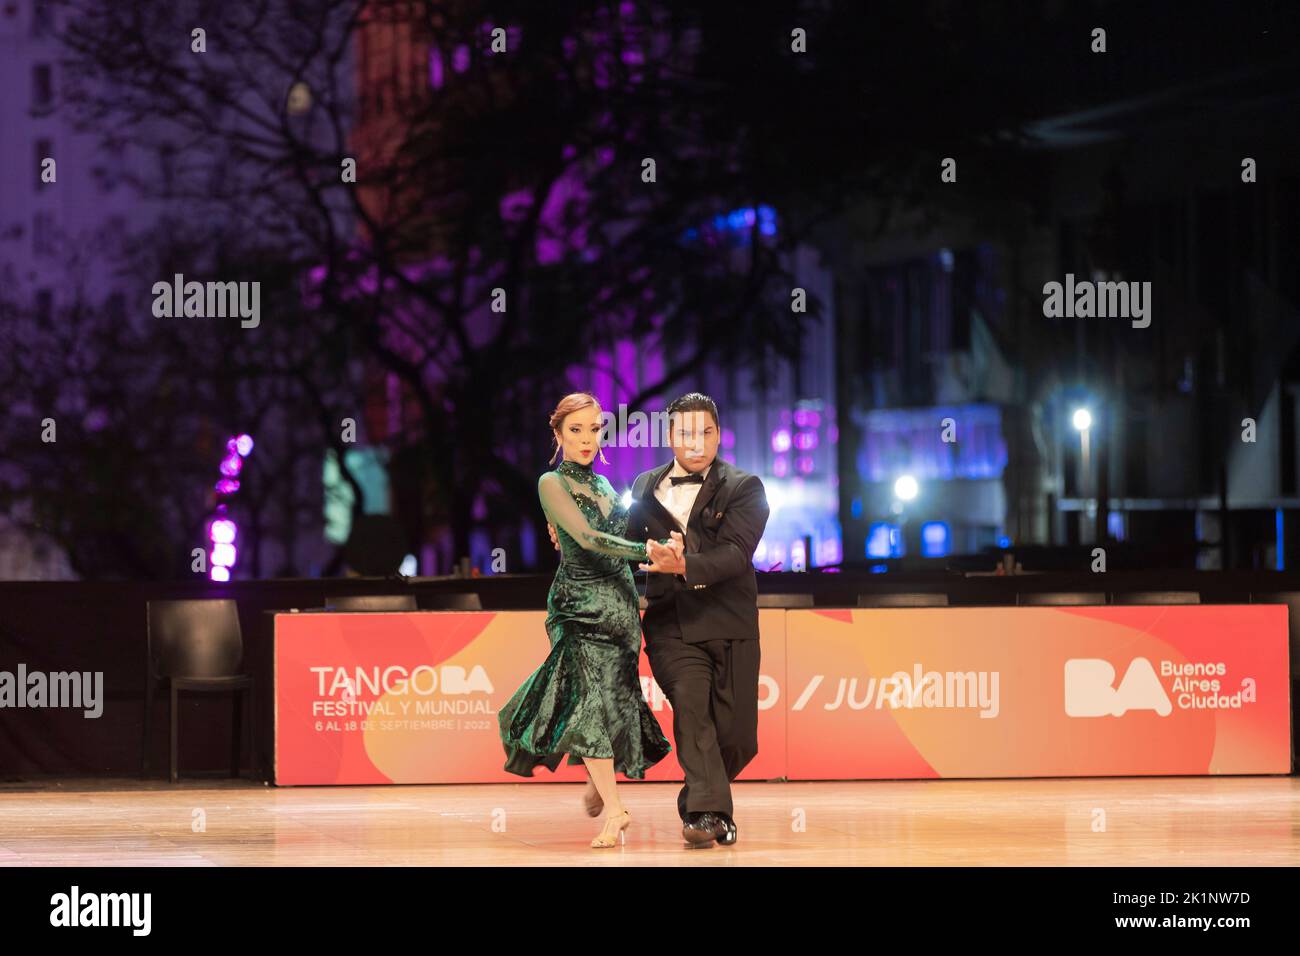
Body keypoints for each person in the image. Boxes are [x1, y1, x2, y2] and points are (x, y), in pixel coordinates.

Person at [498, 391, 679, 849]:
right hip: (578, 607)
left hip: (620, 606)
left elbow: (621, 534)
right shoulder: (550, 483)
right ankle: (616, 809)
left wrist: (668, 547)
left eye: (594, 428)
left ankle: (598, 783)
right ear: (557, 435)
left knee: (615, 700)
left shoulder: (604, 486)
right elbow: (586, 537)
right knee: (587, 699)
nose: (586, 438)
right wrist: (647, 554)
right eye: (575, 430)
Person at [628, 392, 769, 848]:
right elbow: (624, 545)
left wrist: (685, 565)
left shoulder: (745, 487)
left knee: (739, 737)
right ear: (669, 436)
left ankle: (700, 797)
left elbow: (735, 555)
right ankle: (707, 816)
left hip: (729, 622)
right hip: (671, 625)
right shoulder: (643, 487)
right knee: (692, 709)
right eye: (686, 433)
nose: (697, 442)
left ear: (718, 435)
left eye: (706, 432)